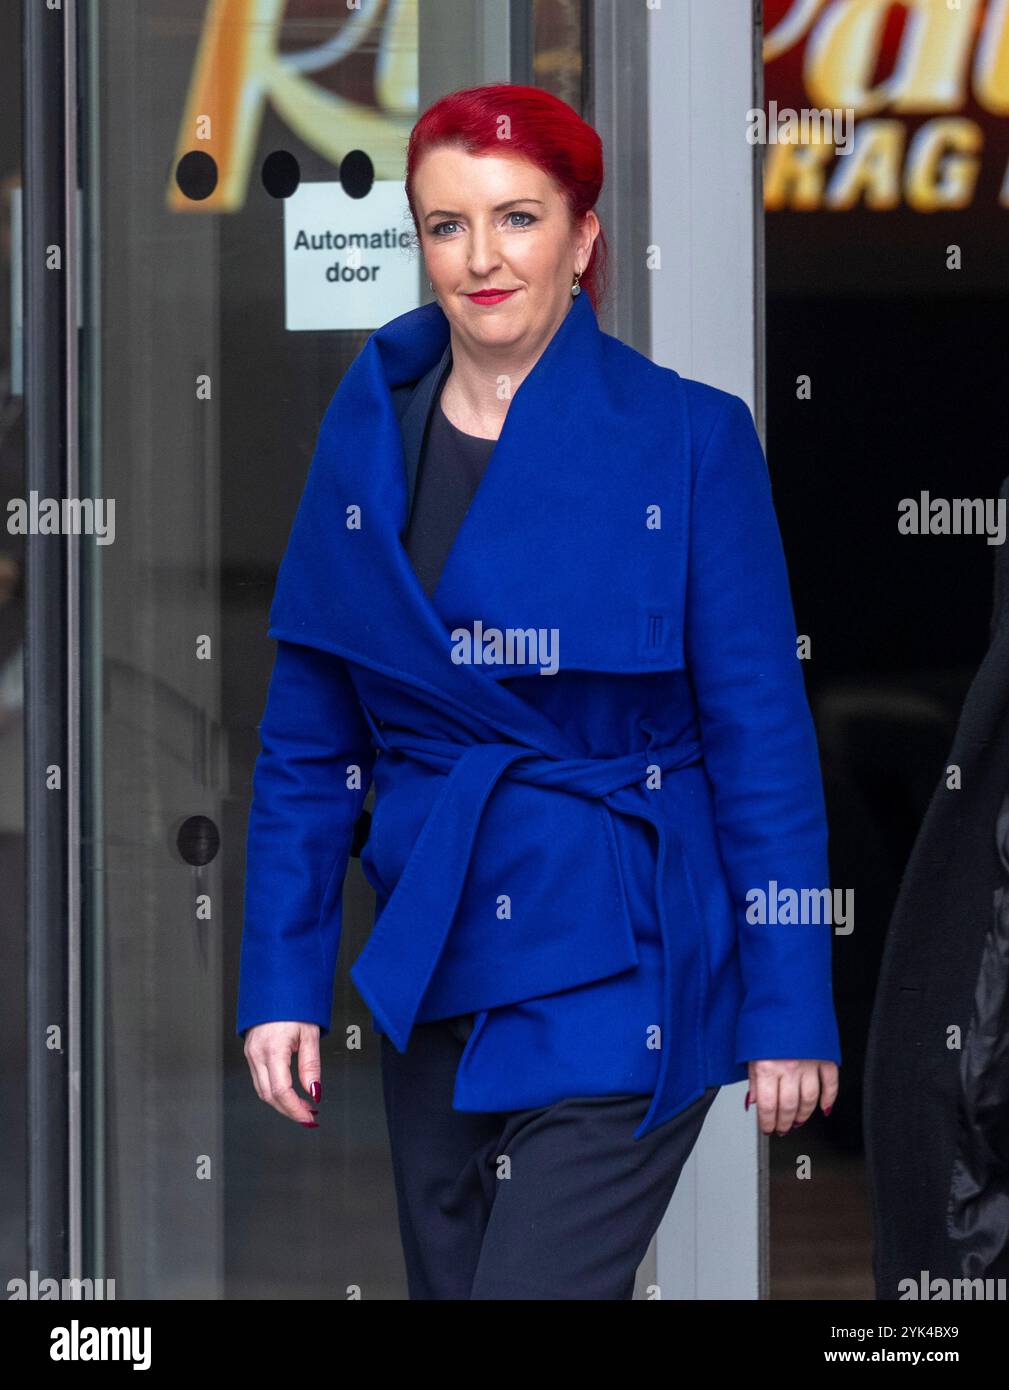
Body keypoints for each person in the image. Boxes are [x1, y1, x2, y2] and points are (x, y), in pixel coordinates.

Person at [237, 82, 841, 1300]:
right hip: (436, 951)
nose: (481, 257)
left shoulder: (688, 437)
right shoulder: (362, 440)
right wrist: (281, 981)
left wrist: (789, 1002)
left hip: (621, 957)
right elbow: (309, 747)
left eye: (517, 218)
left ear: (583, 238)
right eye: (447, 224)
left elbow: (760, 740)